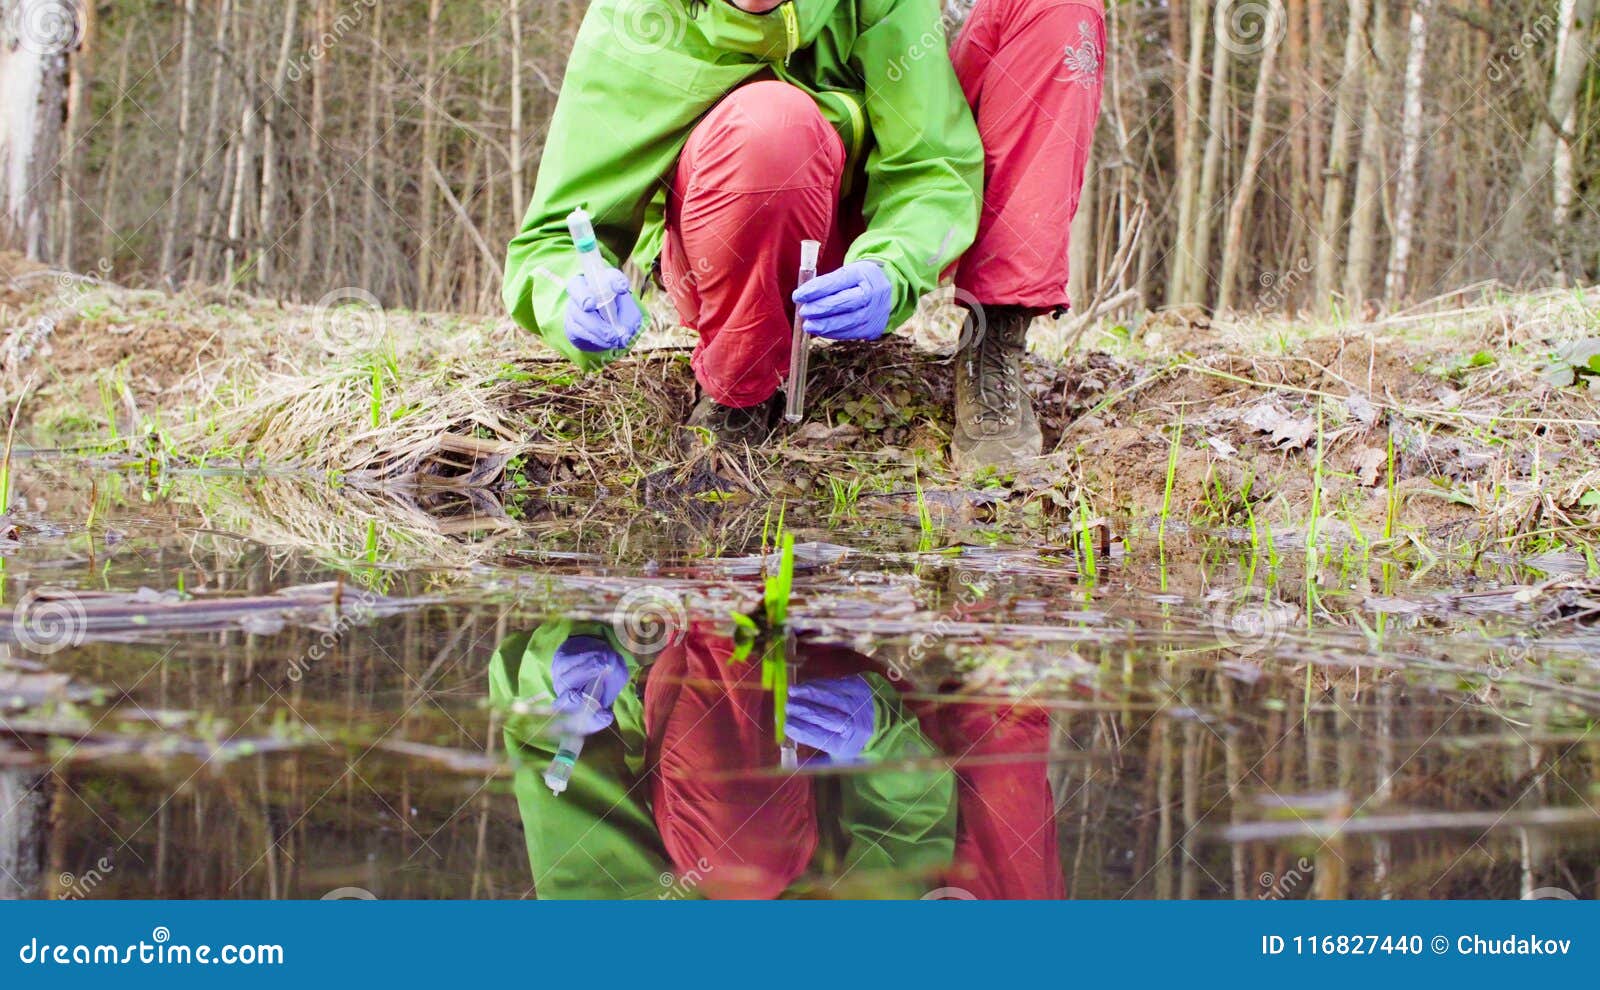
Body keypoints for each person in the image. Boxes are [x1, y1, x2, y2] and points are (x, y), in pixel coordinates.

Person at [504, 0, 1103, 471]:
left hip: (861, 238)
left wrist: (891, 268)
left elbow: (932, 170)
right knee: (774, 126)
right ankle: (742, 385)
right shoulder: (633, 19)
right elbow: (556, 235)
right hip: (723, 246)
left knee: (1054, 5)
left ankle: (992, 341)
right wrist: (567, 295)